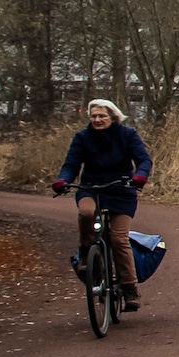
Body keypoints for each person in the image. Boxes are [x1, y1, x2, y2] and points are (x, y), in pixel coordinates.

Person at [52, 99, 153, 311]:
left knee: (118, 238)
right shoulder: (82, 138)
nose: (97, 120)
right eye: (94, 116)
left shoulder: (128, 135)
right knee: (86, 213)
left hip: (121, 189)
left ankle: (129, 288)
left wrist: (140, 177)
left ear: (113, 117)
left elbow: (143, 160)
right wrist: (63, 180)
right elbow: (71, 164)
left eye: (101, 116)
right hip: (91, 187)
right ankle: (86, 249)